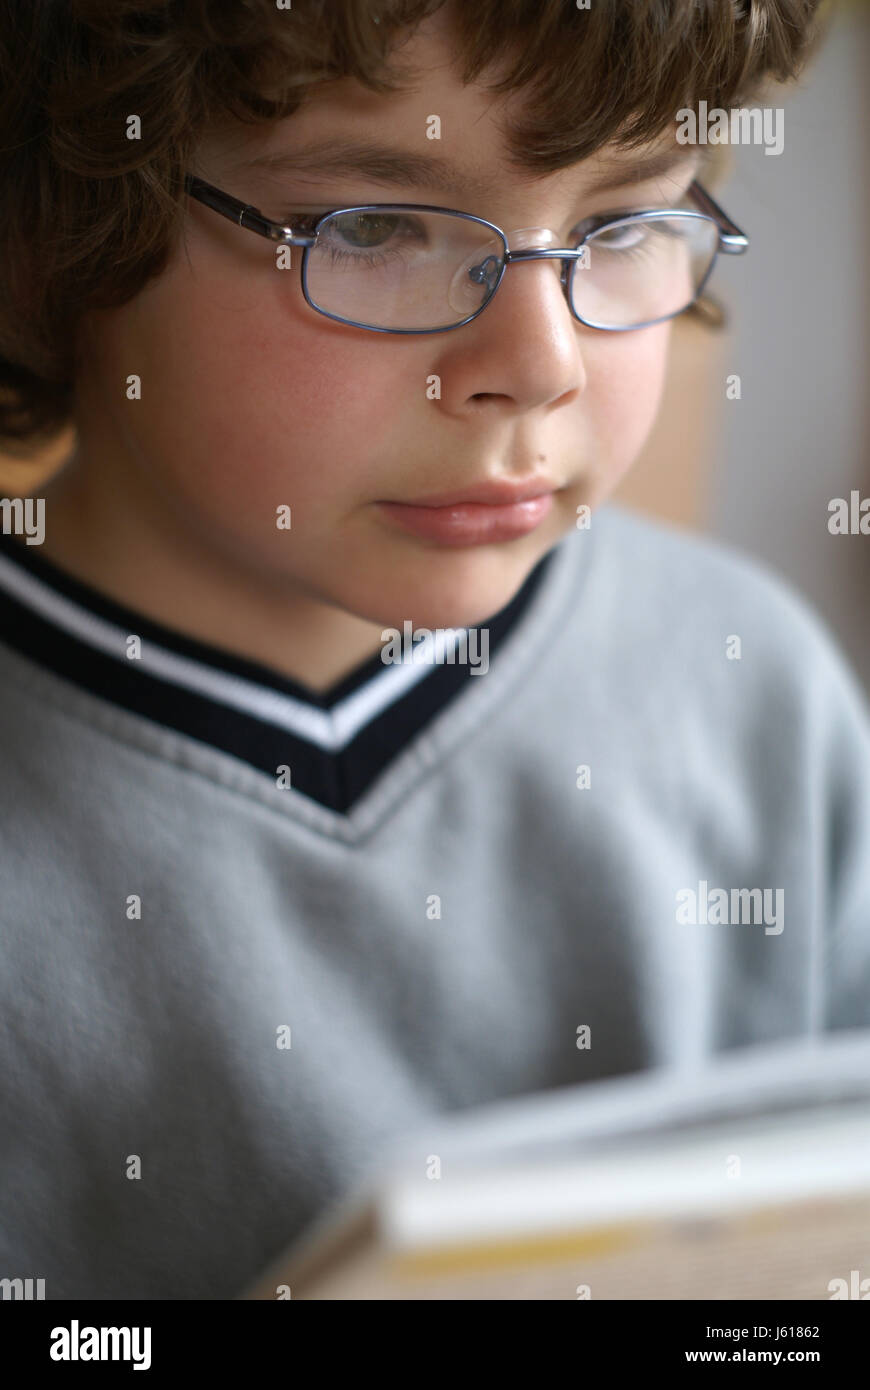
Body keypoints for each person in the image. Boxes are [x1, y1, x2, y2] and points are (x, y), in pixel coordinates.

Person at [0, 0, 863, 1301]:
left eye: (621, 222)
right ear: (46, 234)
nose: (538, 363)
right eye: (375, 229)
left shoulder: (752, 682)